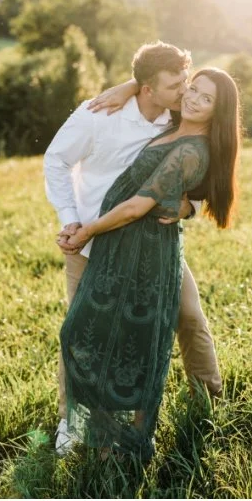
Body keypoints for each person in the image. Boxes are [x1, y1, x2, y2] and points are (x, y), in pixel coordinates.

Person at [42, 41, 222, 456]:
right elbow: (55, 161)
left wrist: (189, 206)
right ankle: (72, 425)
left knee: (190, 318)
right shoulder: (97, 114)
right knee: (85, 332)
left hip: (150, 244)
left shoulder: (177, 111)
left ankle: (208, 400)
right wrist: (71, 220)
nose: (186, 91)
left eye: (186, 82)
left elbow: (204, 160)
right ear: (147, 88)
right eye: (177, 85)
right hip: (91, 238)